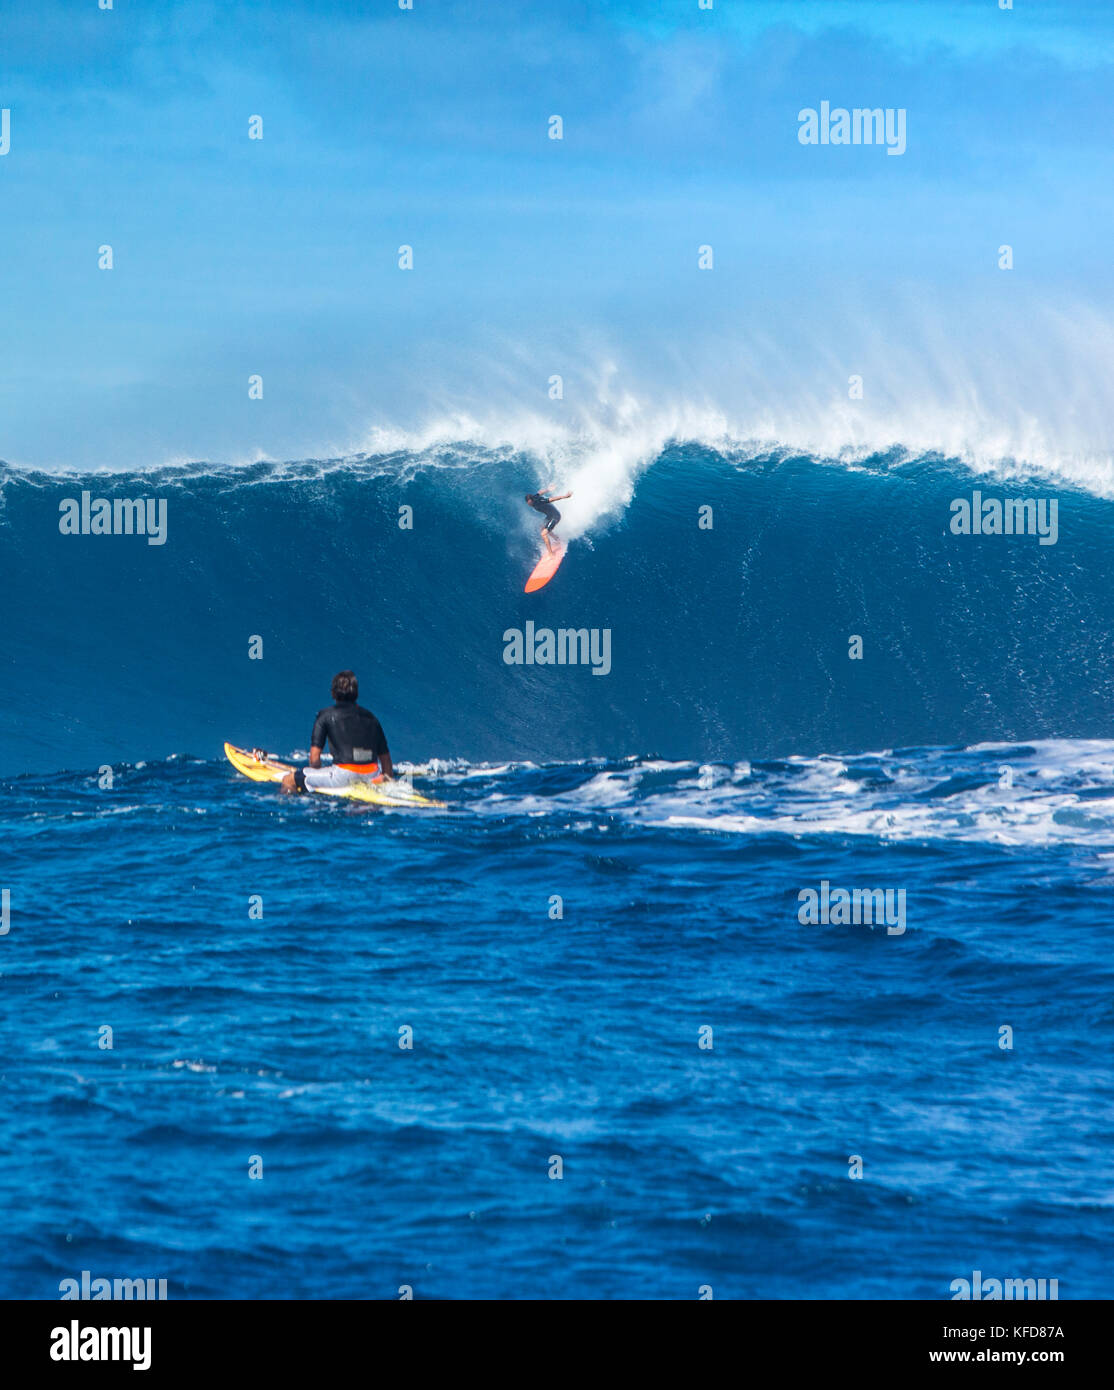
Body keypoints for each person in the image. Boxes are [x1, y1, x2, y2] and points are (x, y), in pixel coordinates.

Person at [280, 670, 394, 794]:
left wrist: (316, 776)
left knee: (288, 780)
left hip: (343, 777)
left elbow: (314, 758)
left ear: (333, 693)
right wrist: (386, 784)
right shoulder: (372, 718)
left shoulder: (325, 715)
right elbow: (386, 761)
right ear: (356, 694)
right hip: (373, 776)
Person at [525, 487, 572, 554]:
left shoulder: (539, 501)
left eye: (530, 503)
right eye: (528, 504)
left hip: (555, 516)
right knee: (542, 528)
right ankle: (557, 539)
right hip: (550, 515)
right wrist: (548, 489)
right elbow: (540, 492)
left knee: (543, 534)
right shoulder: (534, 497)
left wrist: (565, 496)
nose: (530, 505)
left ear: (532, 500)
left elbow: (552, 499)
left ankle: (551, 554)